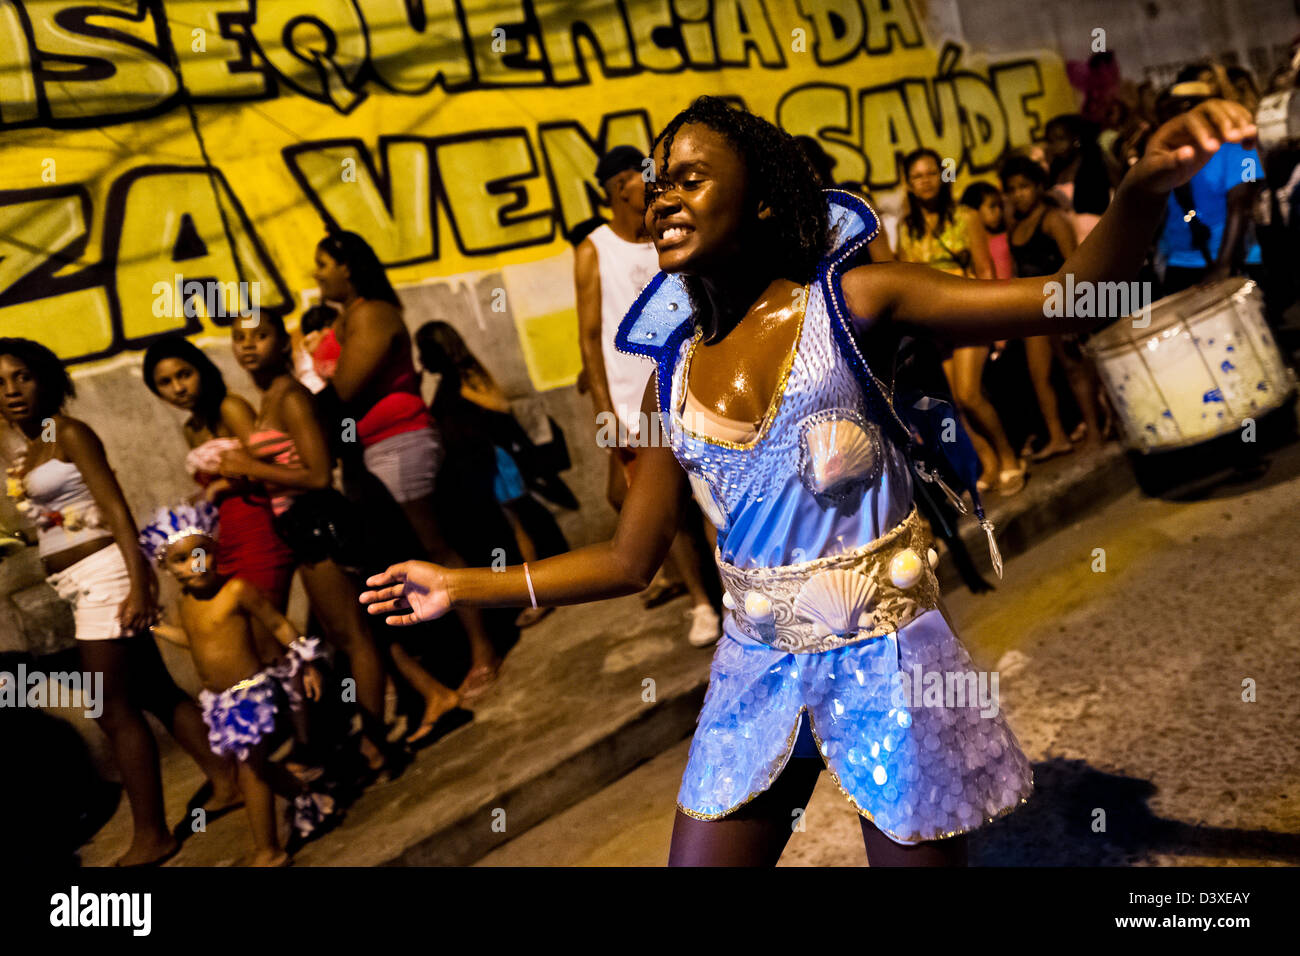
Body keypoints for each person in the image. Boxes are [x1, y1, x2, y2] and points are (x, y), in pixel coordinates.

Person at [360, 94, 1254, 867]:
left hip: (891, 659)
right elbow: (632, 560)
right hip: (756, 665)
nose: (663, 195)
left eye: (691, 177)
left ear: (758, 204)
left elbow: (1069, 297)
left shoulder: (855, 302)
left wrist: (1139, 188)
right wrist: (460, 584)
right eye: (658, 179)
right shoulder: (669, 375)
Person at [0, 337, 240, 867]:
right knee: (154, 688)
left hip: (107, 577)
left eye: (22, 377)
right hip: (79, 582)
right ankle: (230, 779)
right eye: (0, 383)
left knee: (111, 709)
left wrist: (141, 584)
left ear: (44, 378)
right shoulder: (30, 444)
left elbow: (113, 505)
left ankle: (152, 834)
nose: (12, 391)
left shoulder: (70, 433)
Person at [218, 314, 458, 757]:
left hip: (319, 523)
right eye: (240, 338)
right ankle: (434, 694)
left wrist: (248, 467)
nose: (249, 346)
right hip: (300, 528)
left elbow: (317, 474)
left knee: (353, 639)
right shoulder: (268, 397)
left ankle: (374, 744)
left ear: (282, 344)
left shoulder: (291, 398)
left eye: (261, 336)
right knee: (358, 628)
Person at [313, 231, 502, 699]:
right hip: (368, 452)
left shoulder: (375, 315)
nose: (315, 274)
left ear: (348, 268)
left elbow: (346, 389)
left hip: (399, 445)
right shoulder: (346, 319)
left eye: (322, 263)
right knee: (400, 556)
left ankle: (483, 649)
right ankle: (451, 652)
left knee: (432, 546)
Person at [575, 145, 720, 647]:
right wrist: (605, 416)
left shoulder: (671, 231)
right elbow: (589, 336)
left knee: (709, 499)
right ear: (620, 189)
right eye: (646, 179)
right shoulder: (595, 249)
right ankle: (702, 604)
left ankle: (735, 597)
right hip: (634, 405)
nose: (657, 187)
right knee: (665, 510)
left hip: (689, 384)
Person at [140, 501, 339, 865]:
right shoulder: (186, 601)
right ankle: (306, 794)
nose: (194, 564)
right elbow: (195, 640)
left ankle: (269, 850)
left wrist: (305, 660)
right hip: (219, 701)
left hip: (252, 694)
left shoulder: (237, 590)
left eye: (201, 554)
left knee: (250, 772)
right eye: (181, 559)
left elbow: (277, 623)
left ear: (216, 553)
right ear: (165, 568)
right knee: (255, 766)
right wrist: (158, 628)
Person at [142, 337, 296, 657]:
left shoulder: (230, 407)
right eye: (165, 383)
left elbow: (267, 463)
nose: (178, 388)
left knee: (266, 632)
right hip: (223, 541)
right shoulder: (191, 428)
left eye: (184, 374)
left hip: (259, 530)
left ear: (202, 370)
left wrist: (222, 486)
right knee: (243, 636)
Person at [897, 148, 1027, 495]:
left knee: (970, 394)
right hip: (935, 324)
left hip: (967, 314)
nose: (925, 181)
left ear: (942, 176)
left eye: (930, 173)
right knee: (956, 398)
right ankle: (990, 463)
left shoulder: (965, 216)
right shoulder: (906, 227)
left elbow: (984, 269)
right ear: (908, 184)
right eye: (917, 176)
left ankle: (1009, 456)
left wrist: (992, 317)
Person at [1000, 154, 1102, 459]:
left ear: (1038, 186)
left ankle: (1096, 432)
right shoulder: (1015, 223)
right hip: (1032, 309)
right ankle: (1058, 437)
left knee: (1074, 369)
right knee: (1039, 375)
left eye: (1025, 187)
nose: (1019, 194)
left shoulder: (1053, 219)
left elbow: (1073, 265)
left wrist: (1073, 313)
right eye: (1012, 189)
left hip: (1059, 304)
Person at [1155, 79, 1264, 294]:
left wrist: (1223, 266)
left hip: (1231, 259)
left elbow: (1241, 206)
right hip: (1180, 261)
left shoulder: (1242, 147)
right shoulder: (1169, 150)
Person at [1045, 114, 1113, 244]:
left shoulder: (1095, 163)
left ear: (1075, 139)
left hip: (1101, 238)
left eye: (1060, 139)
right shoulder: (1055, 170)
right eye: (1050, 141)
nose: (1055, 146)